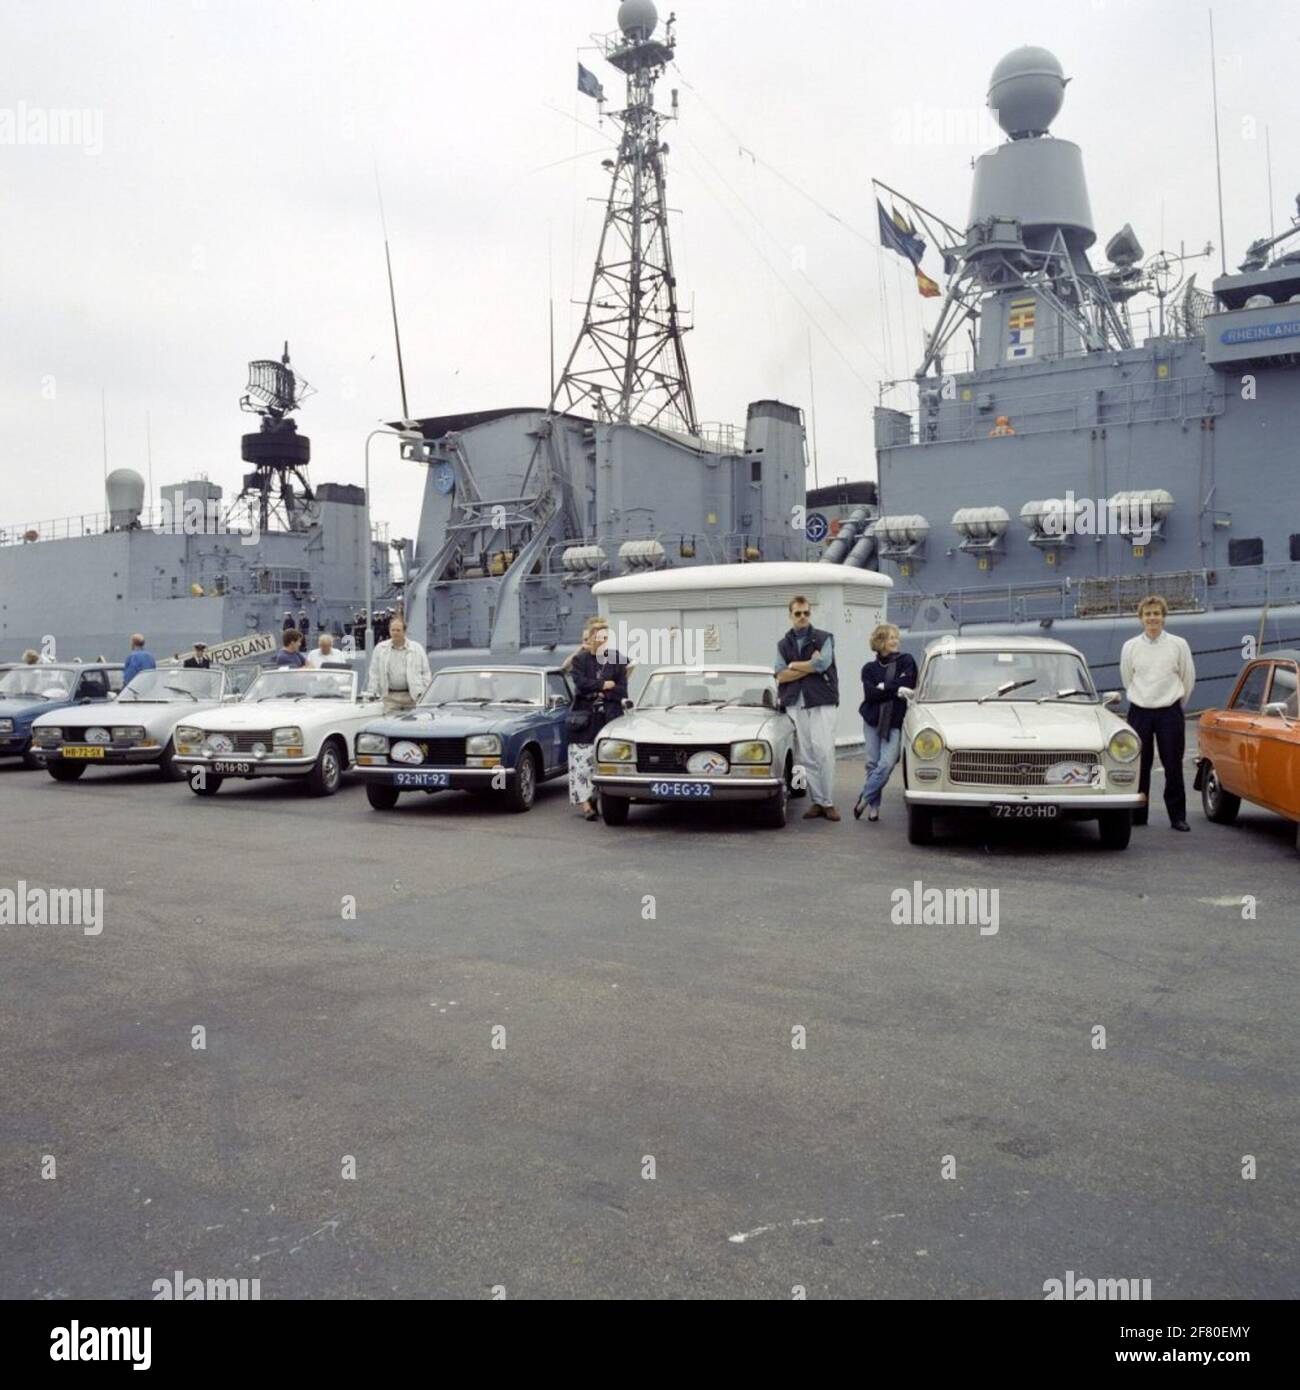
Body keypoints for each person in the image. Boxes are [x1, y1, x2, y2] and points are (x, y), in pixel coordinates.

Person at [1120, 595, 1196, 831]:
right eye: (1148, 614)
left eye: (1156, 614)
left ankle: (1177, 817)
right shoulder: (1130, 647)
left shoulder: (1178, 644)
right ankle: (1139, 815)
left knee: (1172, 764)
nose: (1152, 618)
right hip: (1140, 711)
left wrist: (1175, 703)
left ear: (1164, 617)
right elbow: (1127, 678)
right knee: (1140, 765)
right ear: (1141, 618)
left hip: (1169, 712)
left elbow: (1187, 677)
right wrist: (1143, 698)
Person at [776, 595, 841, 821]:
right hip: (797, 702)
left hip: (822, 699)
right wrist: (808, 666)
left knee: (823, 750)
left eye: (806, 613)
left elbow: (823, 663)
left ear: (810, 613)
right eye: (798, 613)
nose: (802, 617)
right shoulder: (783, 644)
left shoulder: (824, 638)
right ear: (791, 615)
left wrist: (793, 665)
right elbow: (780, 675)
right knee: (807, 754)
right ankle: (817, 801)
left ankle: (828, 801)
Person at [854, 623, 918, 822]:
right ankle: (874, 809)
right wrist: (894, 689)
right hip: (872, 719)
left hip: (895, 721)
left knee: (887, 764)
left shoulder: (906, 660)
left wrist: (884, 686)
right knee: (872, 764)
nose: (895, 641)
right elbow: (871, 695)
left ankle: (864, 796)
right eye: (890, 638)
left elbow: (910, 682)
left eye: (895, 637)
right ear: (880, 642)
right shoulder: (869, 668)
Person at [568, 618, 629, 821]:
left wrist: (605, 692)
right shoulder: (581, 660)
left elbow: (622, 690)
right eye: (597, 636)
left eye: (605, 636)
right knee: (582, 761)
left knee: (604, 760)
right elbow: (580, 684)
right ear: (591, 637)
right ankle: (586, 805)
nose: (601, 640)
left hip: (609, 715)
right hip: (585, 717)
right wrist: (603, 685)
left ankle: (599, 796)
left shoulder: (617, 659)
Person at [364, 614, 431, 713]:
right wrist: (372, 692)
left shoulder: (417, 649)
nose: (395, 633)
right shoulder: (380, 649)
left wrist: (425, 692)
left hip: (412, 697)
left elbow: (426, 672)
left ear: (404, 631)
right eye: (393, 630)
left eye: (398, 630)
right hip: (390, 698)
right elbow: (374, 673)